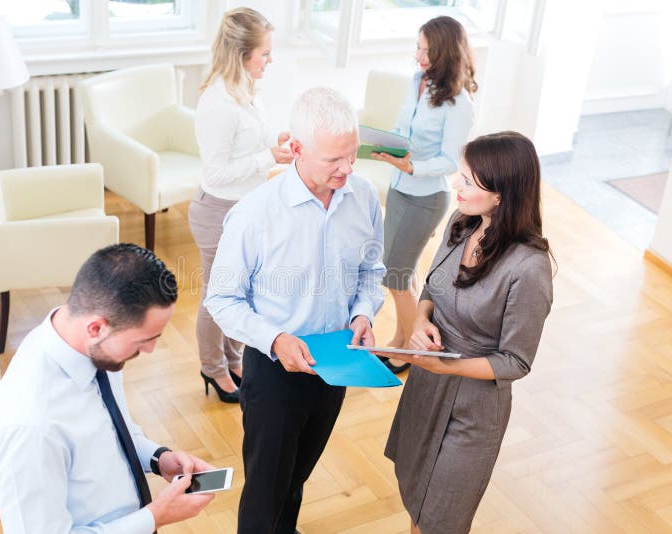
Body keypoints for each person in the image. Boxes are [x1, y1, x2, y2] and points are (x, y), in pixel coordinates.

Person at [205, 87, 386, 534]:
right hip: (274, 372)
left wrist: (363, 314)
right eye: (333, 159)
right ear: (298, 149)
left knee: (296, 479)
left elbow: (372, 269)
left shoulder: (363, 197)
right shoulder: (255, 214)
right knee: (266, 490)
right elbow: (221, 299)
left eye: (353, 155)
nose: (346, 168)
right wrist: (275, 340)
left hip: (338, 364)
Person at [381, 131, 554, 534]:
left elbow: (516, 361)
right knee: (416, 500)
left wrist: (448, 369)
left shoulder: (529, 269)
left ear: (501, 194)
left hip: (474, 409)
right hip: (428, 385)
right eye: (460, 175)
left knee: (441, 517)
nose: (456, 185)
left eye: (469, 181)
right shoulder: (461, 223)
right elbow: (432, 288)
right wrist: (421, 321)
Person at [0, 244, 215, 533]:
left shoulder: (93, 349)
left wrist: (158, 458)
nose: (151, 349)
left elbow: (112, 431)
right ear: (96, 328)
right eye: (144, 340)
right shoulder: (30, 427)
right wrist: (154, 517)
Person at [191, 7, 293, 403]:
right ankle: (212, 368)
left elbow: (248, 141)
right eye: (264, 53)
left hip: (244, 209)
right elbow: (217, 173)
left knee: (240, 294)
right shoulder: (216, 102)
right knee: (217, 298)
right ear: (241, 53)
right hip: (217, 211)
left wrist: (276, 141)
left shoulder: (246, 87)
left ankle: (233, 359)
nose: (269, 61)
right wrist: (270, 157)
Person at [371, 15, 477, 373]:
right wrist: (391, 145)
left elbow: (450, 161)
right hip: (400, 189)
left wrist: (412, 167)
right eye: (417, 47)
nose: (418, 56)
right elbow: (404, 126)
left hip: (427, 197)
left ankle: (407, 345)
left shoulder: (459, 104)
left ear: (446, 54)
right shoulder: (417, 81)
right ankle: (403, 339)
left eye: (426, 51)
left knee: (395, 275)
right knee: (400, 271)